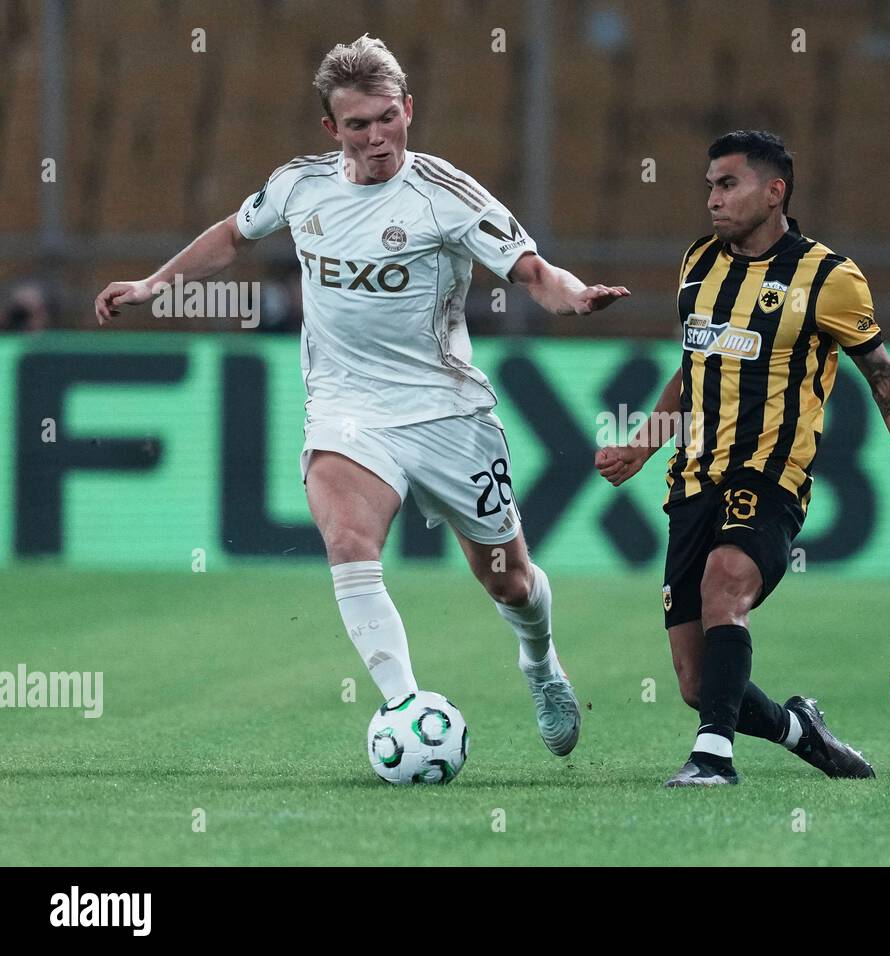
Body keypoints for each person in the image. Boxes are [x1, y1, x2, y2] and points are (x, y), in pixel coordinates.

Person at [94, 35, 629, 760]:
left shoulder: (448, 195)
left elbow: (532, 271)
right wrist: (154, 285)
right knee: (348, 540)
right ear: (331, 130)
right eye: (358, 125)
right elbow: (230, 234)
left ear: (408, 108)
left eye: (387, 118)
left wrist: (576, 297)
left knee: (507, 581)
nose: (376, 137)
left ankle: (539, 663)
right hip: (348, 407)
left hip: (445, 410)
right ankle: (406, 707)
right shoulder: (299, 185)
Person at [595, 131, 890, 787]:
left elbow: (883, 377)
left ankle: (712, 758)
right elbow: (693, 370)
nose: (712, 198)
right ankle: (801, 731)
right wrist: (644, 441)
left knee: (725, 582)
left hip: (771, 477)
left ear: (775, 193)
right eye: (709, 185)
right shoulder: (697, 263)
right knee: (696, 680)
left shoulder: (829, 278)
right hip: (692, 482)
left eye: (727, 184)